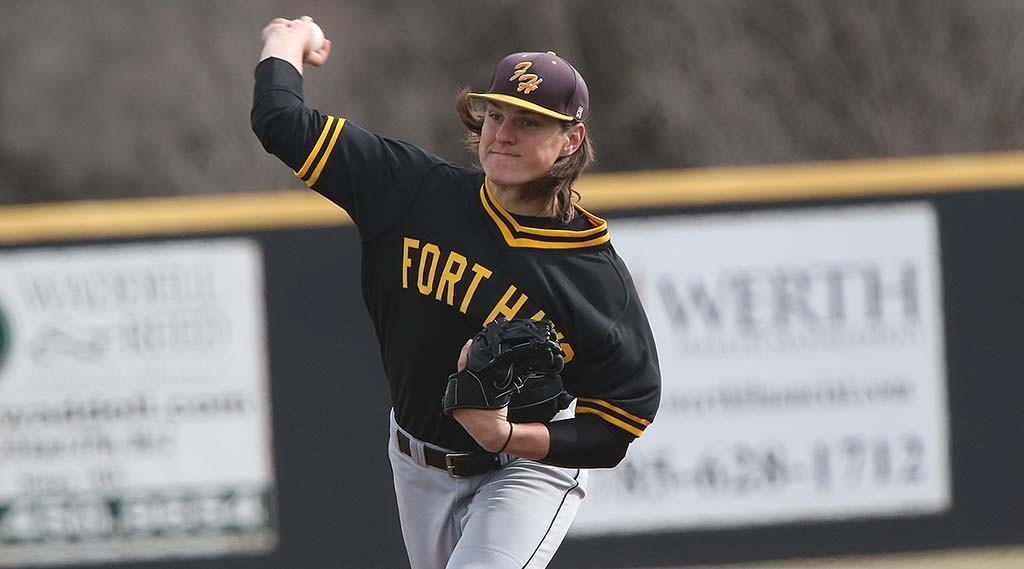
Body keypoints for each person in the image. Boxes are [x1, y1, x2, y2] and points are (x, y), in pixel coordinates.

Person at [252, 16, 661, 569]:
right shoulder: (412, 193)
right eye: (496, 115)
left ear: (572, 140)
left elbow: (617, 423)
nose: (504, 133)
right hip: (415, 462)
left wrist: (508, 436)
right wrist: (284, 40)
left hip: (525, 471)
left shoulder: (593, 278)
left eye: (529, 121)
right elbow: (280, 120)